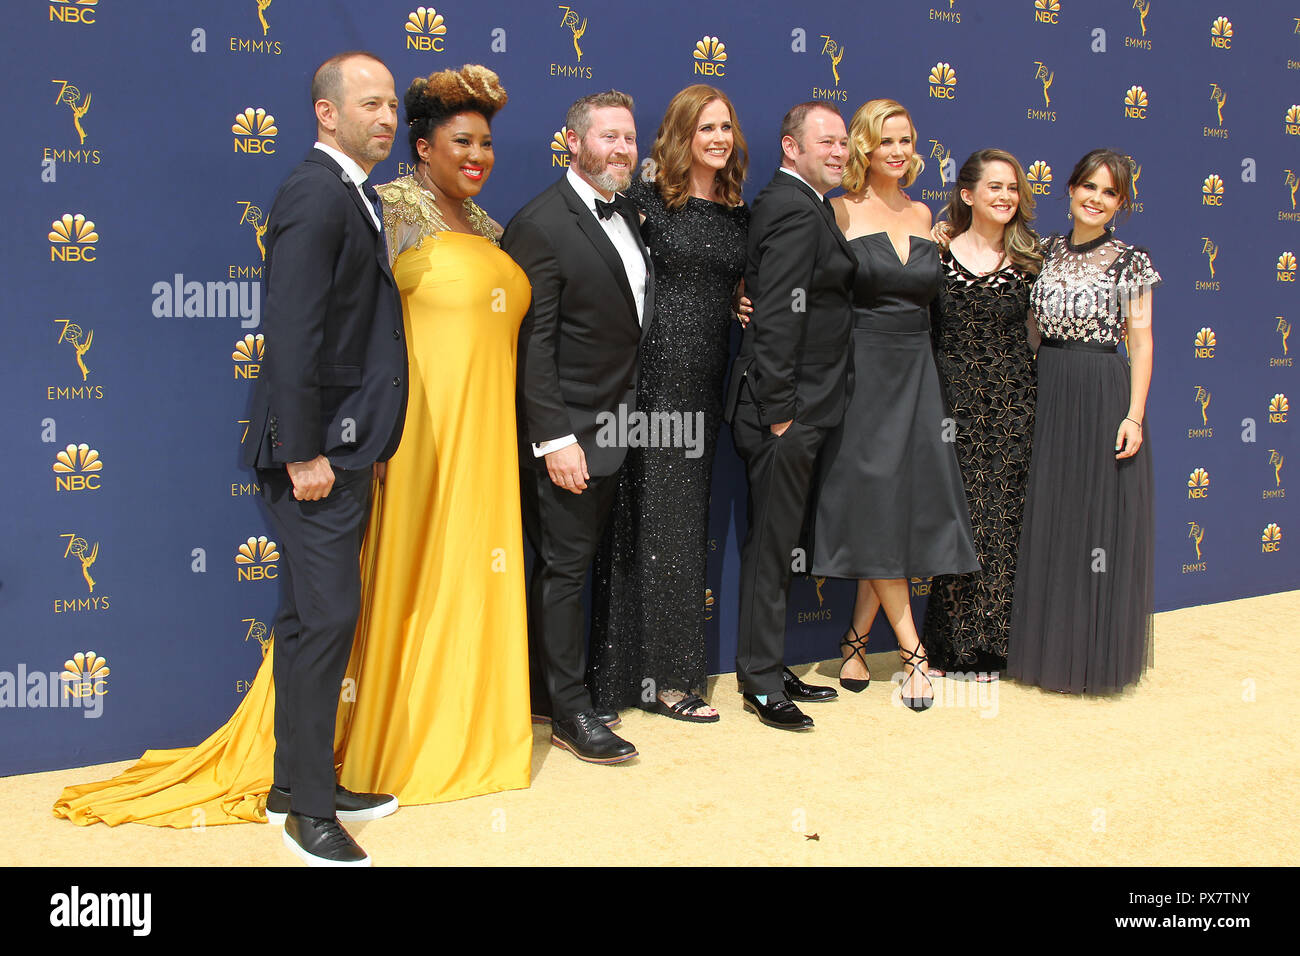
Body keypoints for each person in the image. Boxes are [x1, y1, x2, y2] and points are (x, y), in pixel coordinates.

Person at [53, 63, 533, 856]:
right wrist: (303, 450)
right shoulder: (318, 192)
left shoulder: (353, 195)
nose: (384, 117)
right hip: (317, 455)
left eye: (389, 104)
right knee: (327, 620)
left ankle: (293, 782)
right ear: (327, 112)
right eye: (369, 105)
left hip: (346, 447)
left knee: (307, 618)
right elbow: (292, 331)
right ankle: (311, 816)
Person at [587, 85, 751, 724]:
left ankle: (647, 676)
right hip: (651, 382)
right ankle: (659, 681)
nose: (717, 137)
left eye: (725, 126)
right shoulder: (645, 201)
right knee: (644, 529)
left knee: (679, 531)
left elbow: (745, 280)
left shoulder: (738, 212)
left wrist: (748, 299)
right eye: (705, 127)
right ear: (680, 135)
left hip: (704, 385)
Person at [809, 99, 978, 711]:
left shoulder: (924, 211)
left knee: (896, 510)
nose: (900, 152)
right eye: (887, 142)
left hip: (917, 371)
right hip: (860, 373)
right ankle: (914, 656)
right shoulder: (838, 210)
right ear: (863, 149)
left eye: (907, 141)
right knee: (875, 505)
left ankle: (854, 644)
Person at [502, 91, 652, 763]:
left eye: (629, 138)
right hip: (571, 437)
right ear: (572, 143)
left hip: (621, 428)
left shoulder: (631, 211)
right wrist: (555, 438)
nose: (622, 149)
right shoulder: (541, 222)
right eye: (609, 138)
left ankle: (560, 692)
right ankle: (568, 714)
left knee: (581, 568)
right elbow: (531, 345)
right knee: (564, 572)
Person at [723, 101, 855, 731]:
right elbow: (776, 316)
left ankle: (769, 665)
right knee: (772, 550)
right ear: (790, 148)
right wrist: (779, 413)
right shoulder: (793, 209)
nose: (837, 151)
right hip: (785, 409)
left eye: (842, 143)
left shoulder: (808, 206)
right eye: (824, 141)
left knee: (782, 544)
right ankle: (758, 682)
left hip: (804, 406)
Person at [1008, 149, 1158, 694]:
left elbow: (1139, 342)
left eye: (1109, 192)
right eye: (1088, 186)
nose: (1095, 198)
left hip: (1100, 391)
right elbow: (1025, 327)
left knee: (1094, 522)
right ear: (1069, 190)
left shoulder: (1130, 260)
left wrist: (1134, 415)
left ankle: (1090, 656)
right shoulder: (1042, 252)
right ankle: (1045, 647)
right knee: (1050, 515)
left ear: (1120, 203)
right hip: (1047, 385)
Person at [922, 149, 1041, 678]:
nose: (1005, 196)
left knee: (1008, 524)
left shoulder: (1034, 260)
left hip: (1016, 407)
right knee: (959, 523)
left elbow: (1044, 336)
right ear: (967, 195)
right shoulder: (935, 255)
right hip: (953, 410)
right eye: (994, 187)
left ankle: (1004, 645)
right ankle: (950, 648)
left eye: (1013, 188)